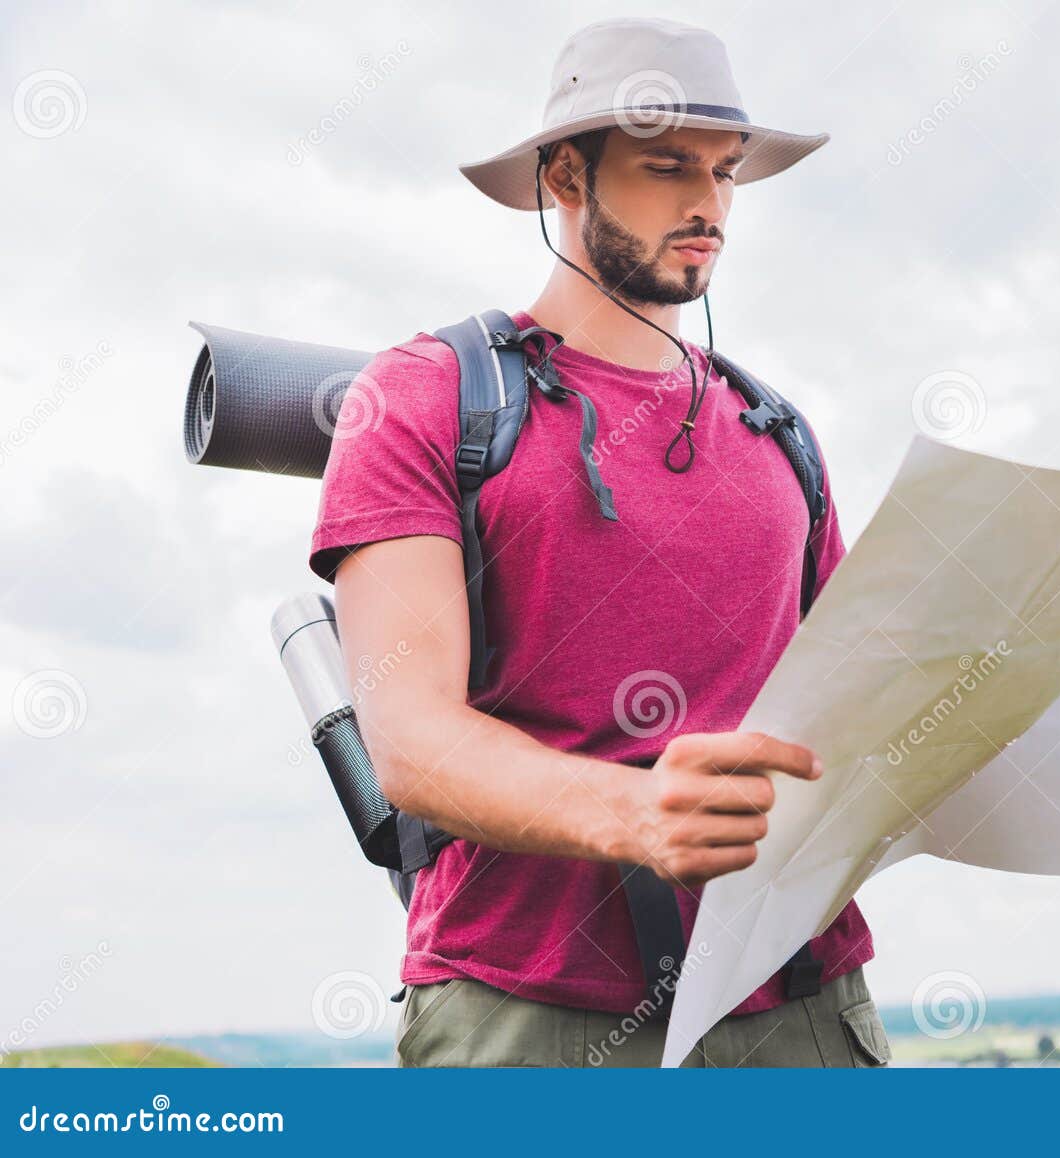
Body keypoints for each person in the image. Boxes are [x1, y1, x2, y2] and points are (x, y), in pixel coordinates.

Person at [306, 16, 889, 1068]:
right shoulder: (422, 400)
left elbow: (858, 703)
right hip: (531, 1016)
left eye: (722, 172)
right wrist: (635, 813)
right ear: (564, 176)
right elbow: (408, 742)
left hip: (800, 1002)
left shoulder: (780, 434)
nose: (708, 203)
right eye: (668, 168)